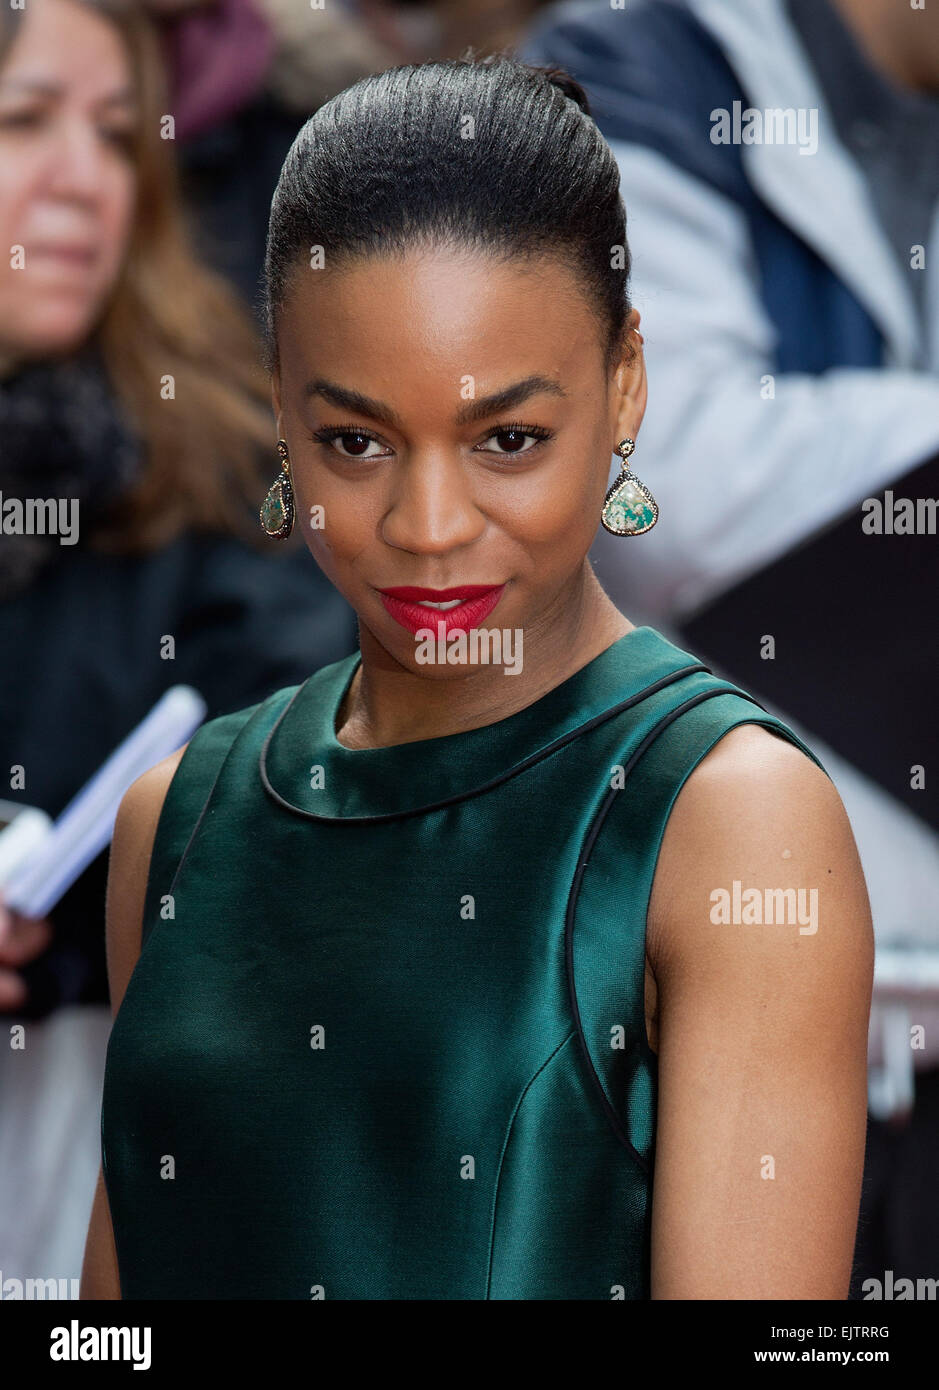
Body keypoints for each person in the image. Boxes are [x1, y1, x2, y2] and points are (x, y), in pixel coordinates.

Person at [81, 56, 873, 1300]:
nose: (429, 524)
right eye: (355, 441)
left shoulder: (732, 824)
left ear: (624, 386)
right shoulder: (173, 821)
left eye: (508, 438)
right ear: (281, 409)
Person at [0, 0, 354, 1282]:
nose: (82, 181)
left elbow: (320, 784)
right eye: (24, 121)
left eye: (113, 136)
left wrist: (76, 921)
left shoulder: (207, 463)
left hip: (78, 1148)